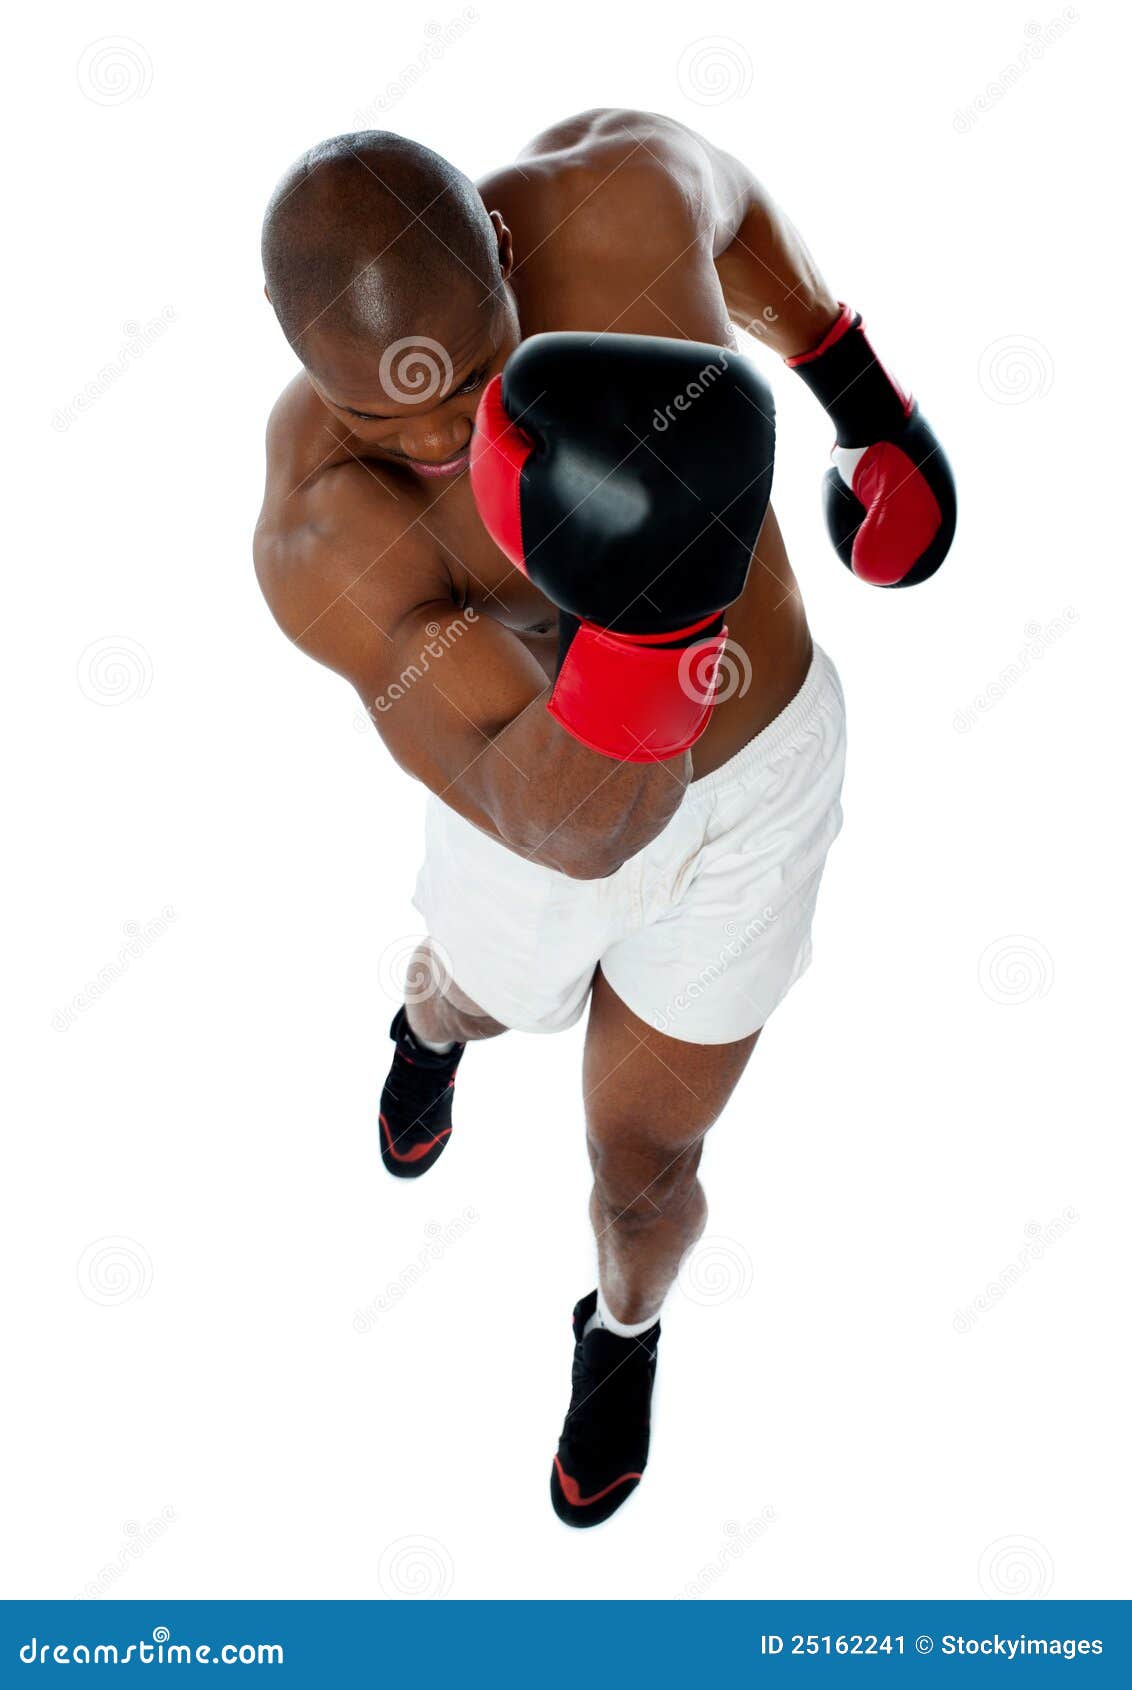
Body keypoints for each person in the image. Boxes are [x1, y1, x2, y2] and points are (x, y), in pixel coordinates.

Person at [253, 108, 955, 1527]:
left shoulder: (620, 193)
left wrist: (861, 392)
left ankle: (622, 1331)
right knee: (477, 991)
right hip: (546, 810)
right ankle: (427, 1024)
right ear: (314, 378)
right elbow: (564, 824)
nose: (450, 428)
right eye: (394, 409)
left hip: (761, 798)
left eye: (471, 368)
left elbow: (740, 208)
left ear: (504, 252)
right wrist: (650, 627)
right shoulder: (329, 528)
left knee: (644, 1174)